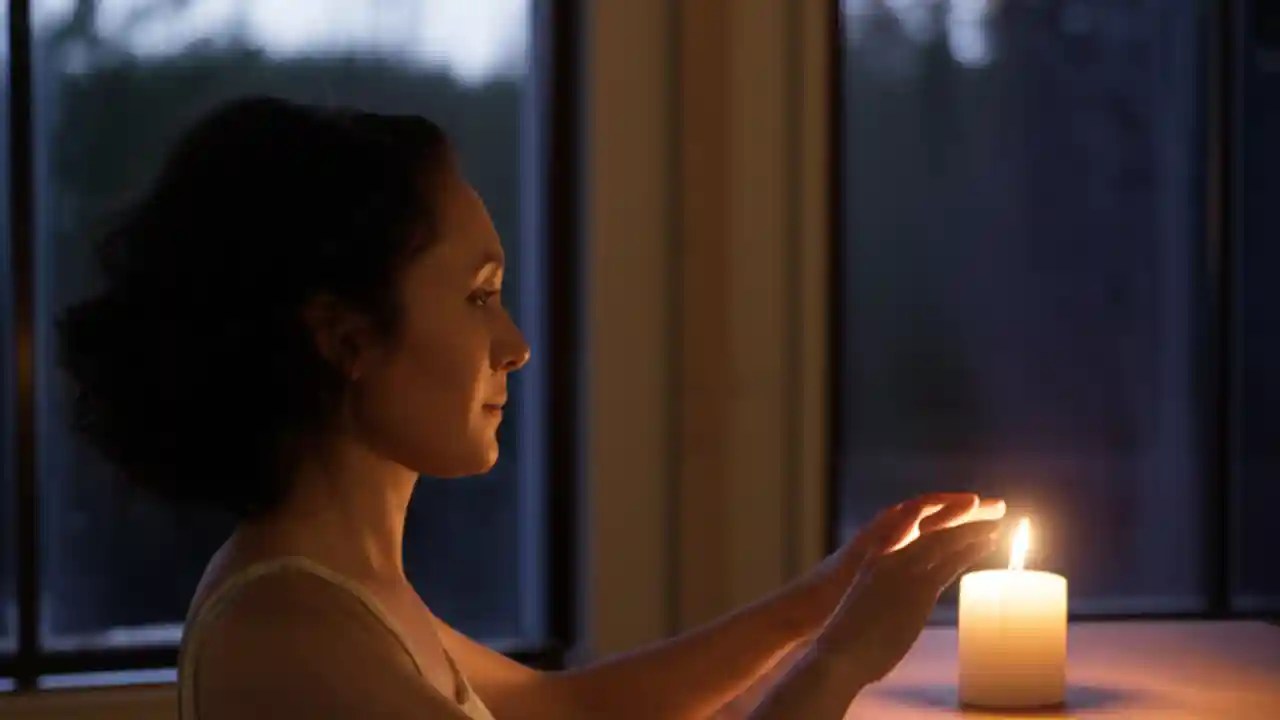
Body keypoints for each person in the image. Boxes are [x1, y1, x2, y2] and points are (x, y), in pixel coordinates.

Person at [57, 96, 1006, 719]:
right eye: (478, 297)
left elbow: (571, 712)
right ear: (344, 338)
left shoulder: (339, 588)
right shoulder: (290, 640)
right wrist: (842, 659)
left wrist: (819, 599)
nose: (514, 345)